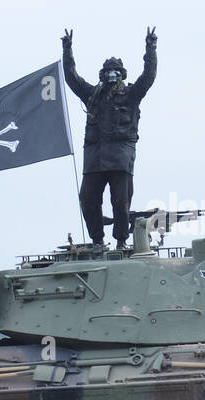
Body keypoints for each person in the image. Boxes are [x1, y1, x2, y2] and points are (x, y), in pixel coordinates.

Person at [61, 26, 157, 250]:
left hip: (120, 157)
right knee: (87, 199)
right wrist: (67, 50)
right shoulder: (93, 96)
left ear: (122, 74)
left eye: (115, 71)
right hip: (94, 157)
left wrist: (150, 48)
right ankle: (97, 240)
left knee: (120, 202)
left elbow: (148, 76)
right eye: (107, 71)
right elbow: (72, 79)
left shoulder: (131, 95)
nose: (111, 74)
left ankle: (121, 240)